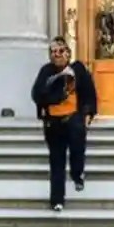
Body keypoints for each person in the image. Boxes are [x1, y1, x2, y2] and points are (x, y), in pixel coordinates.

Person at [31, 36, 97, 212]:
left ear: (68, 53)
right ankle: (57, 200)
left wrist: (89, 113)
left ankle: (77, 174)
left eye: (60, 51)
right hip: (54, 123)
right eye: (53, 52)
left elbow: (90, 92)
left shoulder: (78, 70)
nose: (56, 55)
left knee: (77, 151)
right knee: (56, 161)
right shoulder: (46, 72)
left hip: (74, 119)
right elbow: (37, 94)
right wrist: (55, 91)